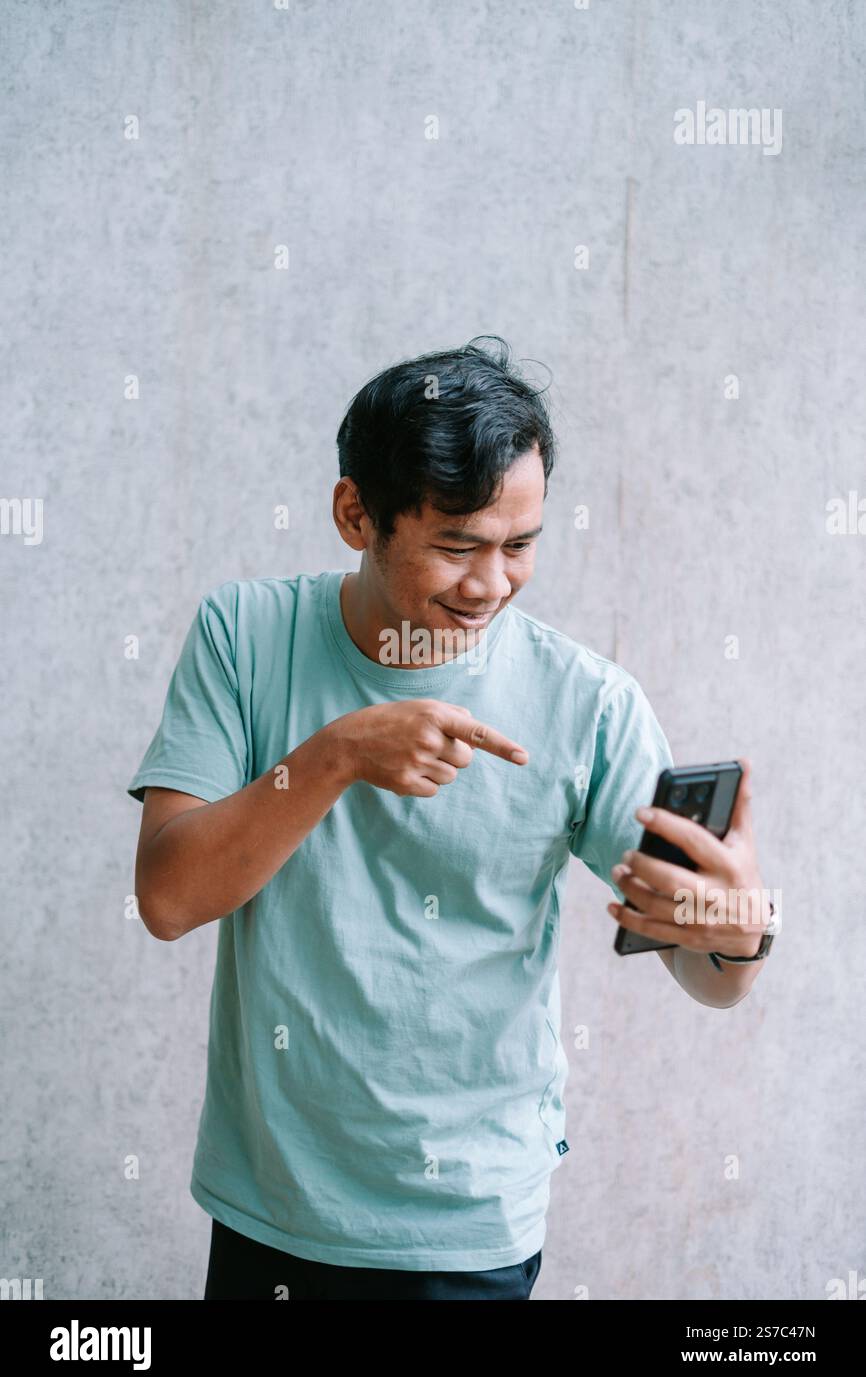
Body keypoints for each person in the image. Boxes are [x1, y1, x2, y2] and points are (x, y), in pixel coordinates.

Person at [127, 336, 771, 1301]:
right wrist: (335, 756)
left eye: (521, 546)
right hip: (271, 1206)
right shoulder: (243, 635)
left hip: (471, 1226)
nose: (490, 585)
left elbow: (710, 978)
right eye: (457, 546)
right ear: (357, 514)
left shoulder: (588, 702)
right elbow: (170, 898)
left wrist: (738, 925)